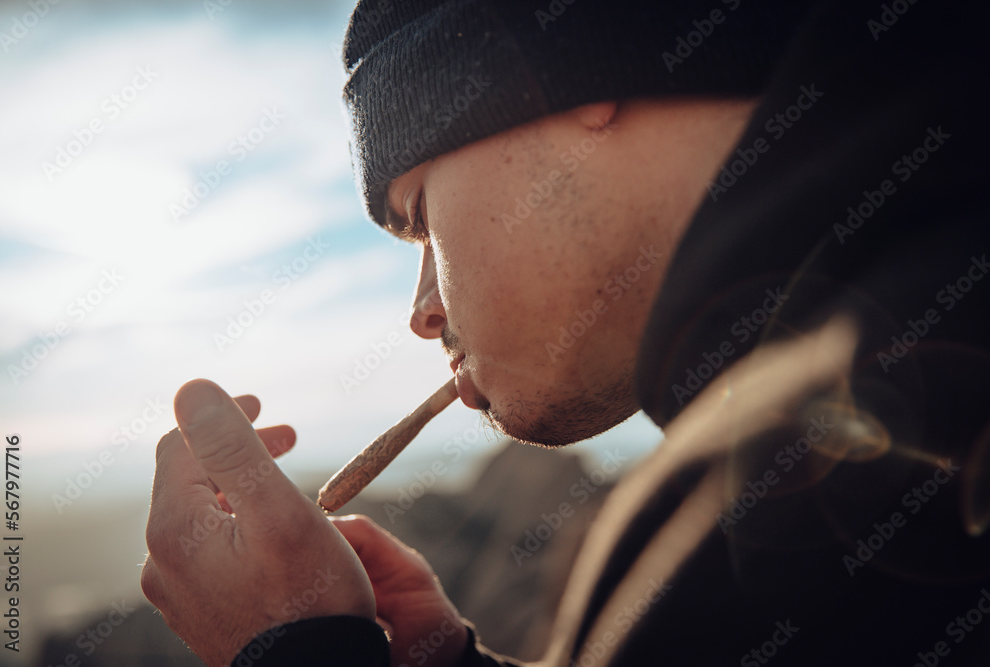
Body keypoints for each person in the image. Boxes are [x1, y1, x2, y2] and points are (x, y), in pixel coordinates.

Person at [141, 0, 990, 665]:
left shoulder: (820, 485)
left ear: (566, 78)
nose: (423, 309)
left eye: (420, 219)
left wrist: (297, 653)